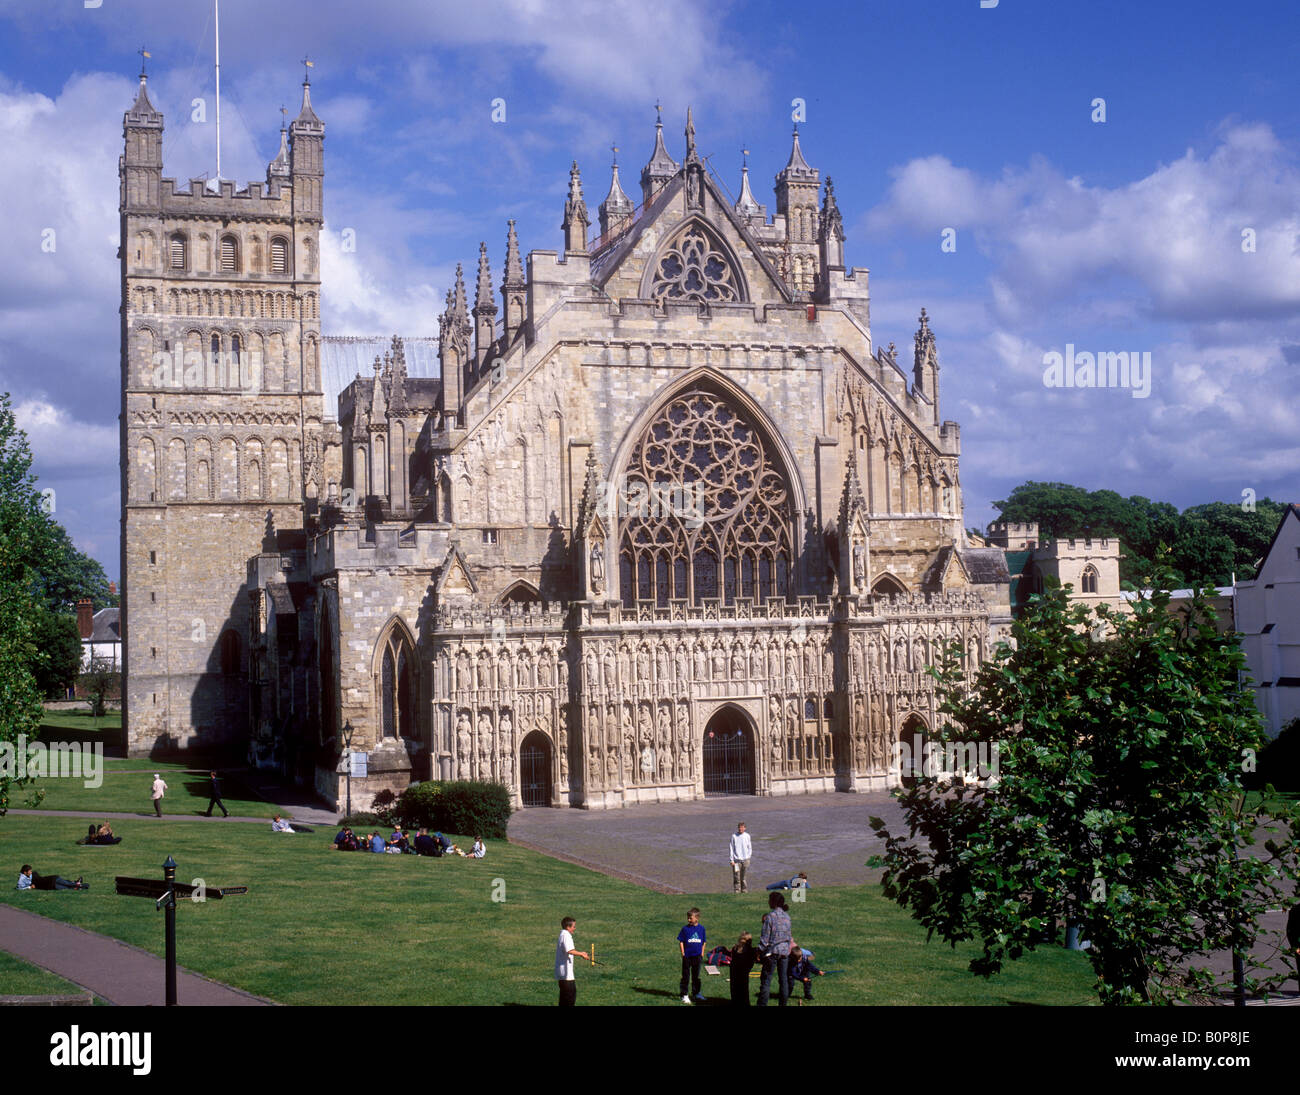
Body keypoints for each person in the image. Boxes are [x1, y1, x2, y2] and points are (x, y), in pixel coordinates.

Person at [757, 891, 793, 1006]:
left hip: (772, 952)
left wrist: (759, 951)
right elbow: (788, 936)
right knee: (783, 981)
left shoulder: (770, 917)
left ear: (773, 902)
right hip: (785, 953)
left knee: (766, 981)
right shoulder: (787, 917)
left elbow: (765, 938)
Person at [555, 916, 588, 1006]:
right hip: (566, 975)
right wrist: (581, 954)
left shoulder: (562, 934)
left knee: (564, 999)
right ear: (568, 927)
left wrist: (581, 953)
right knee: (569, 999)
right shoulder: (566, 935)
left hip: (562, 974)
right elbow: (569, 950)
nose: (575, 928)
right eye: (573, 926)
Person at [677, 907, 707, 1004]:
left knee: (696, 976)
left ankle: (696, 993)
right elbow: (681, 941)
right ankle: (684, 994)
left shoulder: (701, 929)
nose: (688, 920)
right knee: (686, 976)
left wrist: (702, 953)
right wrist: (683, 953)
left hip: (697, 956)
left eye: (690, 918)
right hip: (687, 956)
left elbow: (704, 942)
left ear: (697, 918)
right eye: (688, 918)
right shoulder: (685, 929)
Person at [729, 931, 757, 1007]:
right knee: (744, 989)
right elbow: (751, 962)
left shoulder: (735, 948)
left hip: (734, 971)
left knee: (734, 988)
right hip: (743, 971)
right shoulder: (751, 950)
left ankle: (735, 1002)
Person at [18, 865, 88, 891]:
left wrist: (31, 886)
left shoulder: (34, 874)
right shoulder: (22, 879)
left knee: (67, 884)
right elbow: (20, 888)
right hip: (51, 886)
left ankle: (79, 884)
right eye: (29, 871)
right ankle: (79, 886)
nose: (31, 872)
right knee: (66, 887)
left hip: (53, 879)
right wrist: (30, 887)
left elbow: (37, 880)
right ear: (25, 872)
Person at [729, 820, 752, 894]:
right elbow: (731, 848)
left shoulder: (747, 836)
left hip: (745, 860)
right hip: (736, 861)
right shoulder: (734, 836)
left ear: (745, 828)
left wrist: (748, 857)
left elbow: (750, 848)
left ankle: (744, 891)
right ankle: (737, 891)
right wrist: (731, 860)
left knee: (743, 877)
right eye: (739, 828)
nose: (740, 829)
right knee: (736, 877)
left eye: (742, 828)